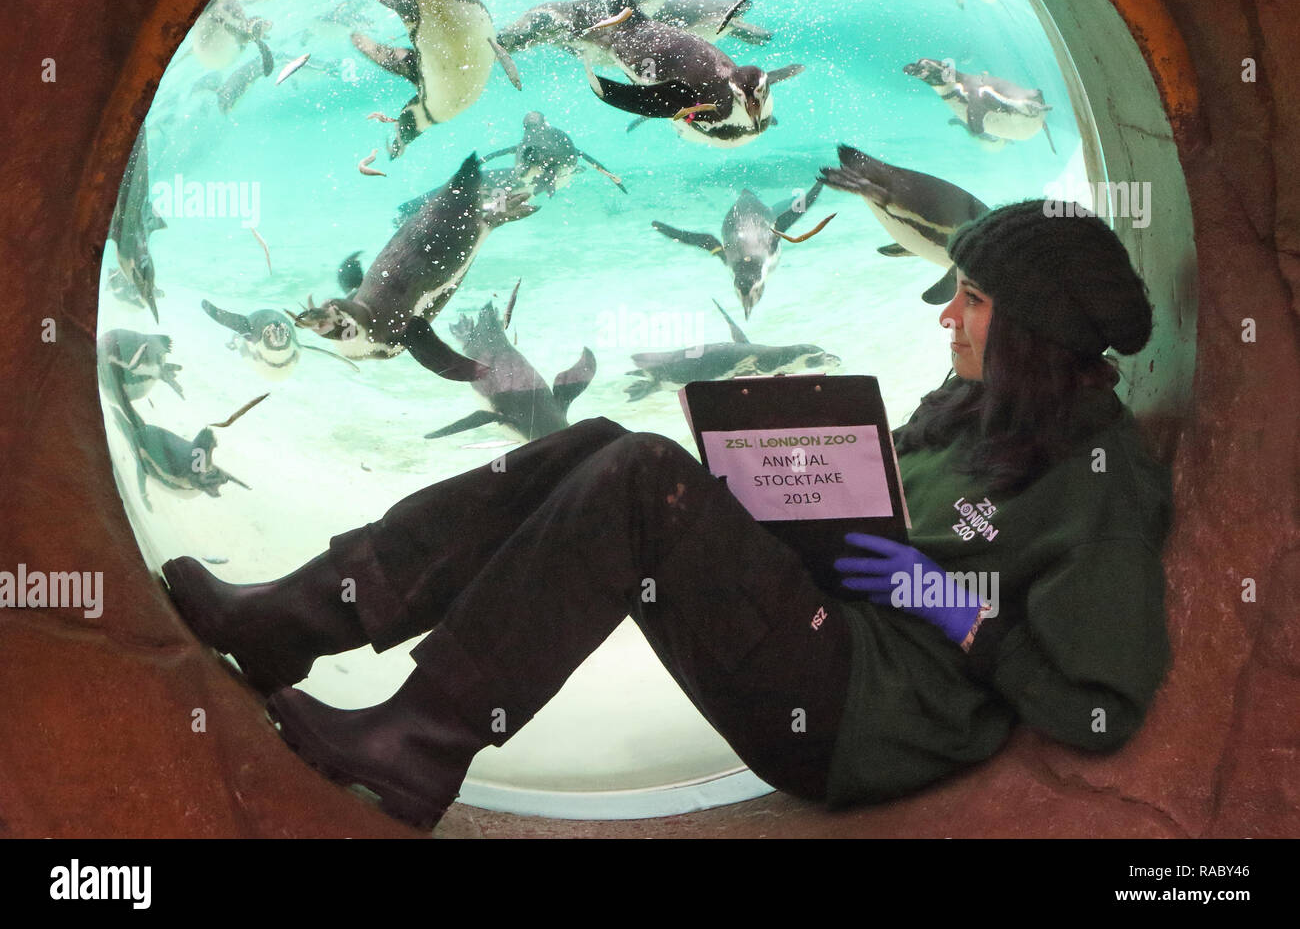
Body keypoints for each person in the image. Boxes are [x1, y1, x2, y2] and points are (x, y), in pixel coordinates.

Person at [162, 199, 1172, 830]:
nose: (946, 315)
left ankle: (420, 740)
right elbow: (877, 517)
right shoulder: (975, 406)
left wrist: (959, 615)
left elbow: (1100, 705)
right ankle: (295, 620)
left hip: (864, 719)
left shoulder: (1098, 473)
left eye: (972, 300)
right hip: (826, 631)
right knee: (594, 440)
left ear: (1034, 330)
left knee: (644, 475)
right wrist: (789, 496)